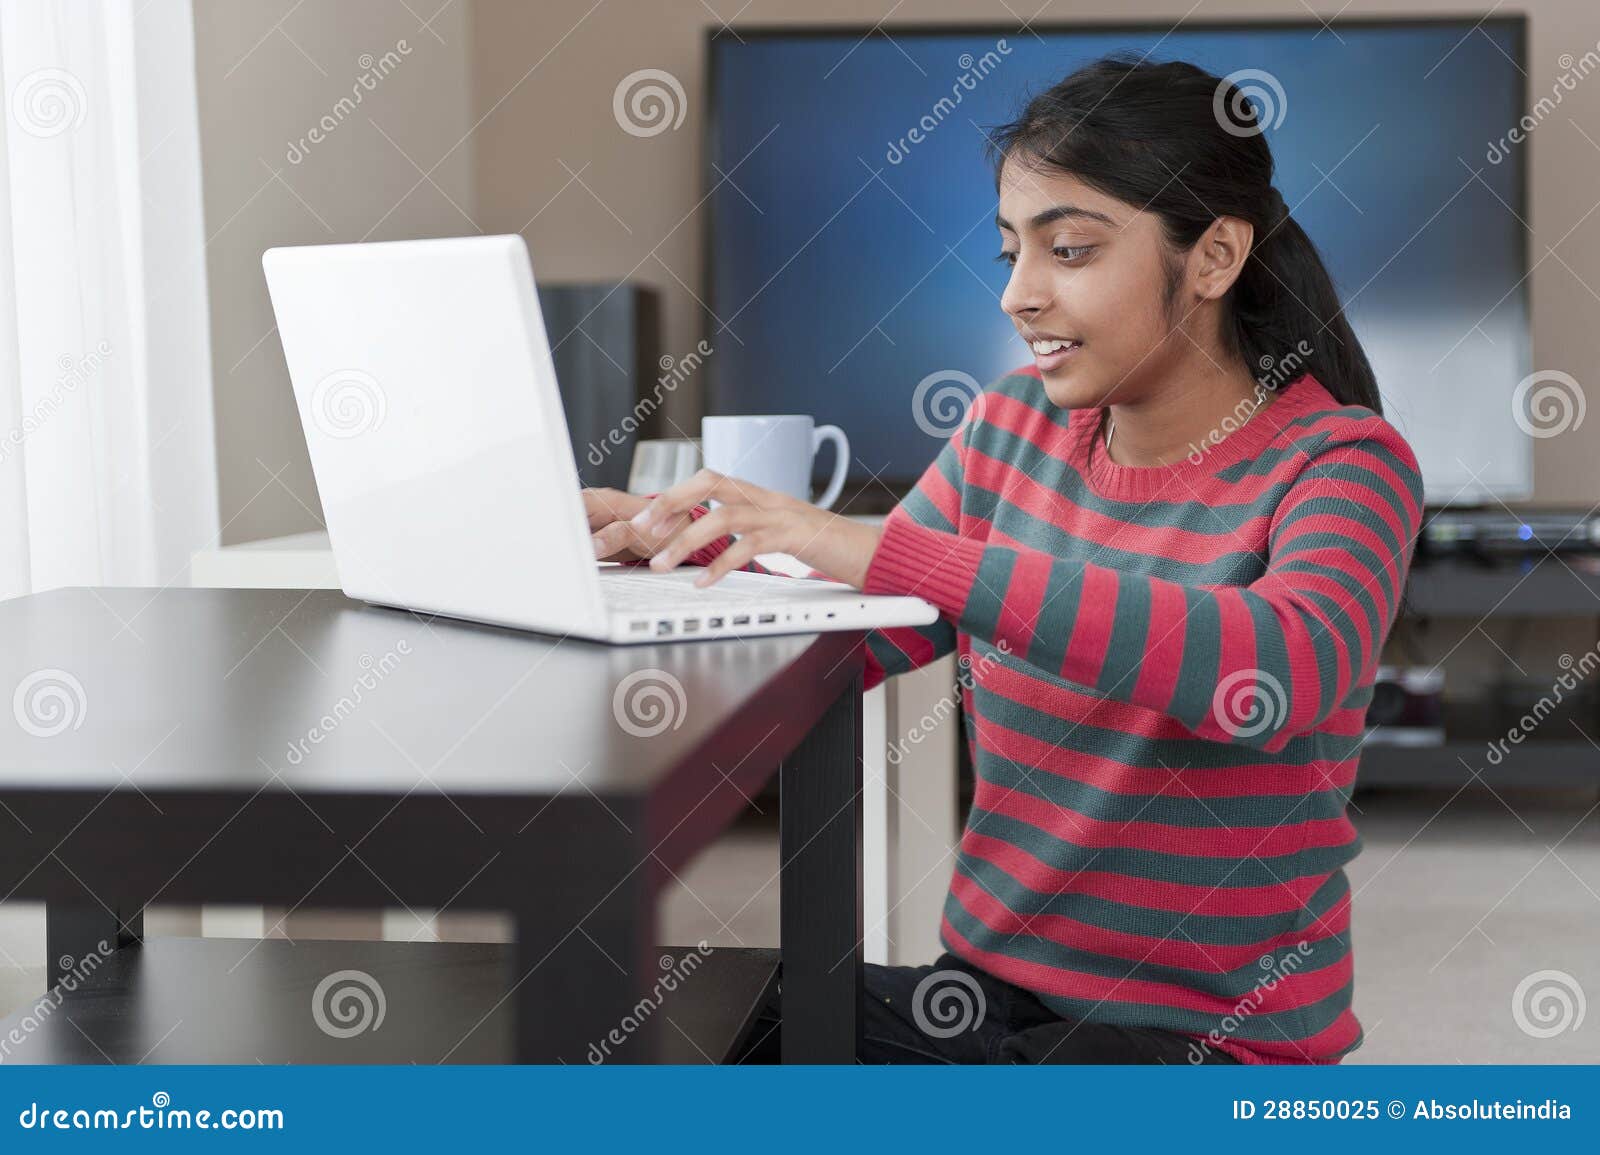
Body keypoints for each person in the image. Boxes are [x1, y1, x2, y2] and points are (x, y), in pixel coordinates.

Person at [584, 55, 1424, 1065]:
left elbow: (1279, 668)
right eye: (1009, 253)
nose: (1019, 296)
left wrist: (872, 546)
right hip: (984, 1004)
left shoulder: (1343, 463)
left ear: (1213, 257)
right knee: (683, 1026)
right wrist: (680, 559)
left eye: (1069, 250)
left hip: (1206, 1047)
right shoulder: (1009, 427)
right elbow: (863, 635)